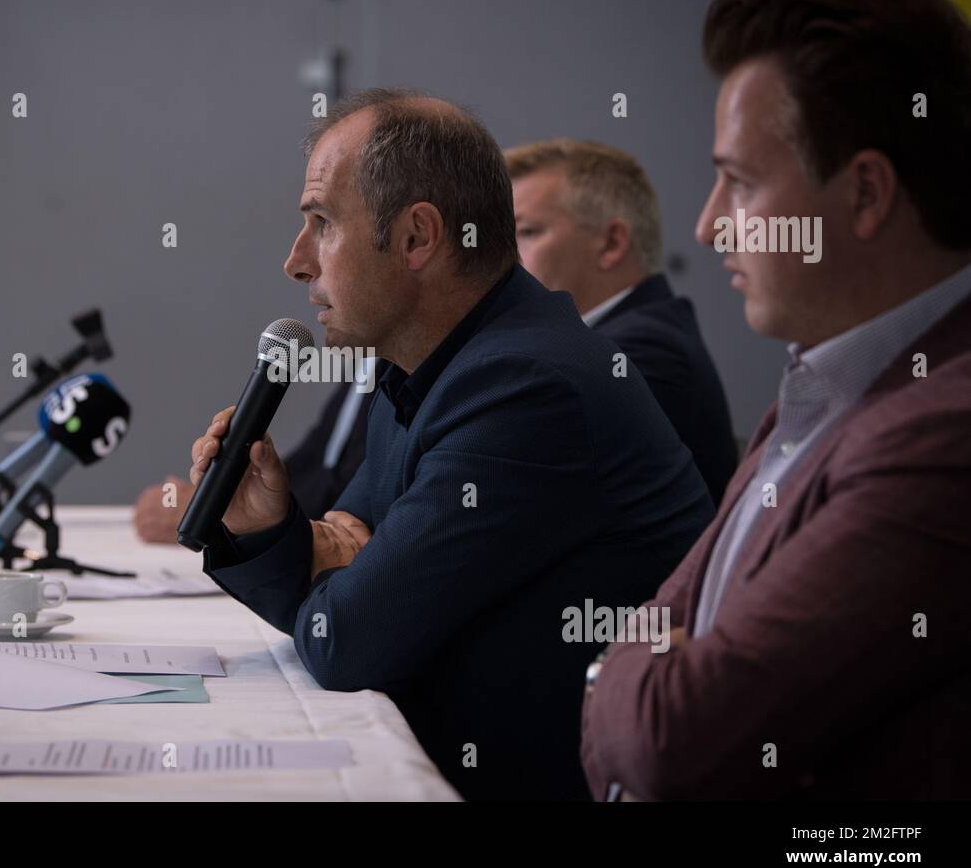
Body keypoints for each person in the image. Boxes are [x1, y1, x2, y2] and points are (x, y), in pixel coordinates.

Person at [188, 88, 713, 800]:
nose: (296, 261)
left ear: (417, 237)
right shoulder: (427, 363)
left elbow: (346, 641)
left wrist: (354, 575)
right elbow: (339, 568)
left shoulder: (524, 384)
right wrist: (269, 533)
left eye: (321, 223)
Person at [581, 0, 971, 800]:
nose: (709, 224)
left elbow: (669, 743)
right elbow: (656, 652)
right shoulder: (818, 384)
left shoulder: (942, 431)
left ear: (866, 192)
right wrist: (648, 664)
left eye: (741, 182)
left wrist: (618, 676)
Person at [506, 139, 737, 505]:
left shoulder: (638, 356)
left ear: (611, 243)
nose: (503, 257)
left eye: (527, 232)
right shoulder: (628, 340)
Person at [133, 357, 381, 543]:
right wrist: (228, 490)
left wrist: (220, 513)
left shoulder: (401, 372)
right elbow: (316, 460)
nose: (303, 284)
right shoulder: (368, 361)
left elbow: (352, 500)